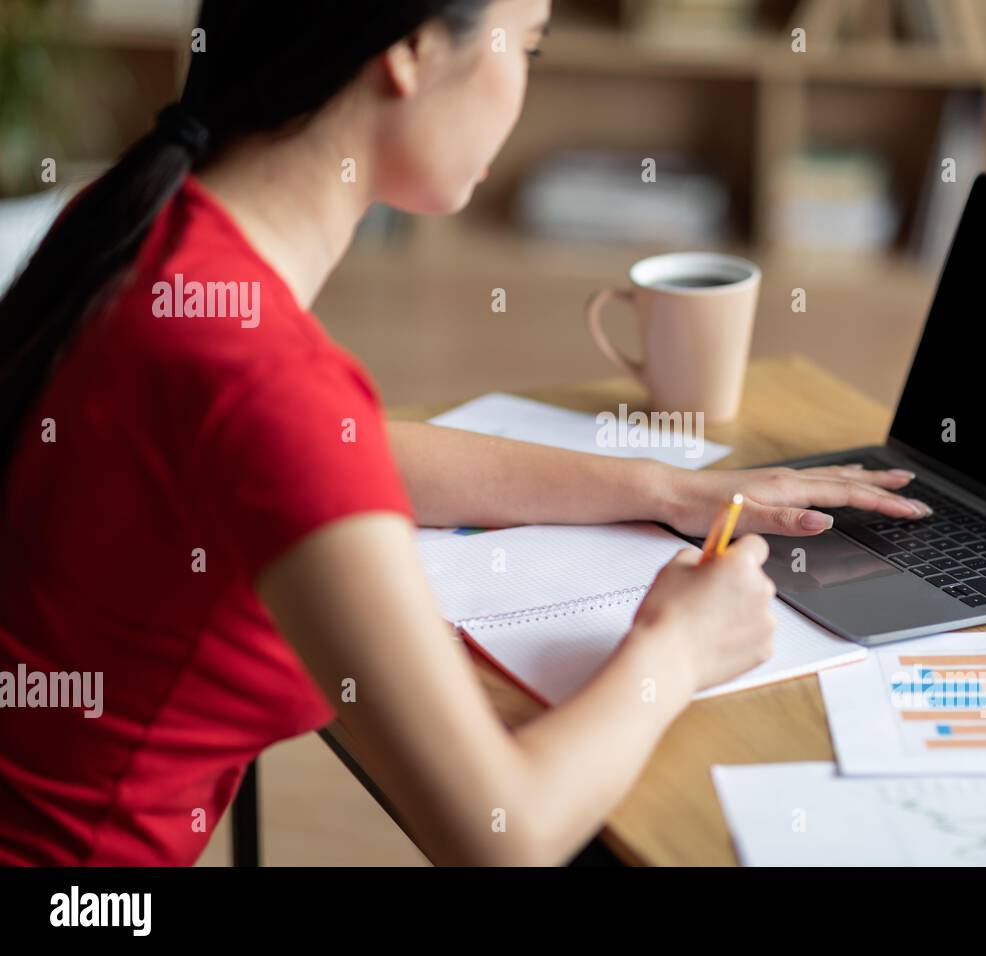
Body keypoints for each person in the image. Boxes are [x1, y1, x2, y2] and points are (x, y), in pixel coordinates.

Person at [0, 0, 928, 866]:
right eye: (524, 46)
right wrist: (676, 651)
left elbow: (338, 456)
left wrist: (664, 490)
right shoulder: (263, 383)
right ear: (408, 52)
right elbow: (504, 833)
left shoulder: (137, 224)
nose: (523, 88)